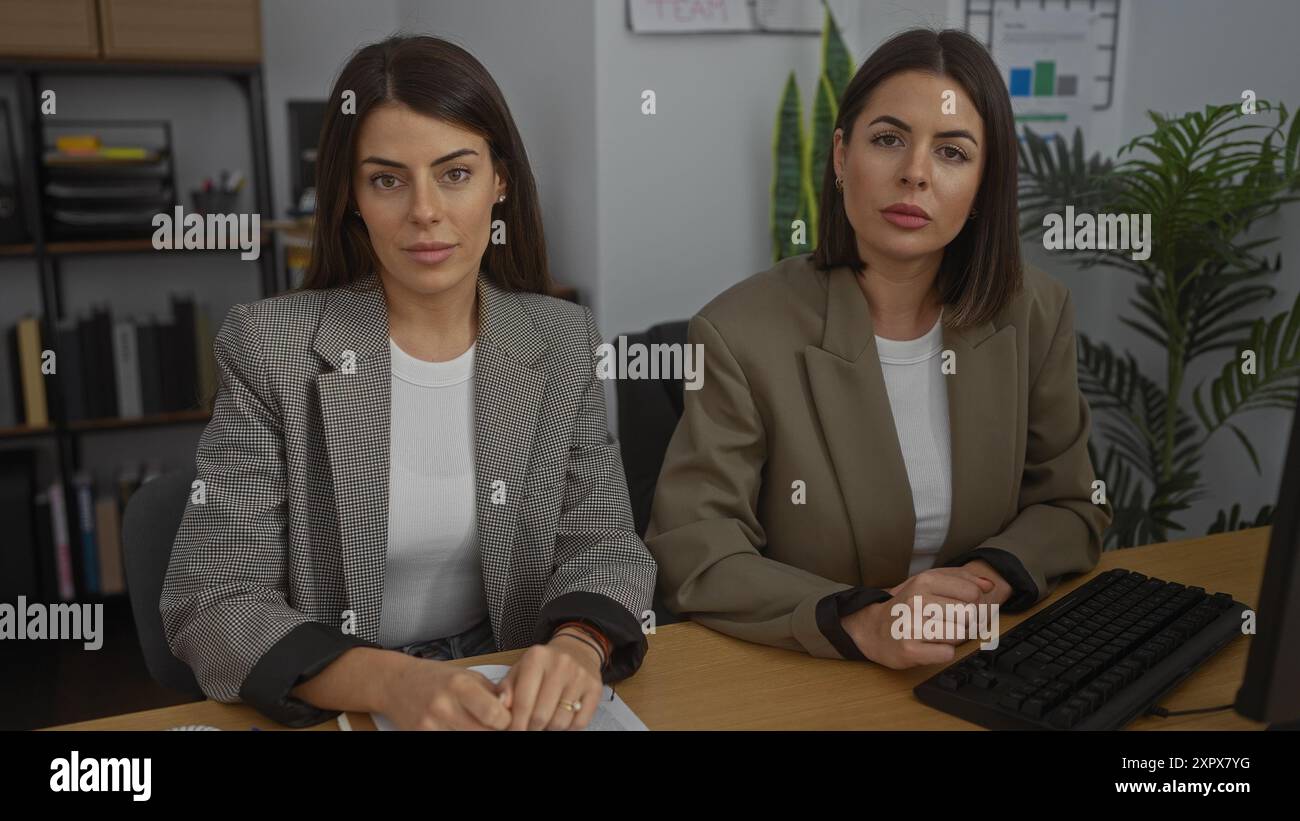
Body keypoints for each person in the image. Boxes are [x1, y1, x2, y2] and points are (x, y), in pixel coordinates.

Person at [161, 34, 656, 731]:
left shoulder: (561, 339)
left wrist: (578, 643)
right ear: (352, 197)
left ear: (500, 181)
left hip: (505, 688)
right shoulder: (269, 348)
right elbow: (211, 597)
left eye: (455, 173)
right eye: (387, 179)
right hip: (350, 691)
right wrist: (392, 682)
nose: (425, 210)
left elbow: (605, 542)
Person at [646, 28, 1113, 669]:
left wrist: (978, 584)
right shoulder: (739, 332)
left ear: (985, 182)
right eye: (888, 139)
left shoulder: (1034, 312)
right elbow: (695, 549)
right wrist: (866, 621)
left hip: (980, 660)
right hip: (810, 674)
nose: (914, 174)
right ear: (841, 155)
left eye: (952, 153)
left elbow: (1069, 504)